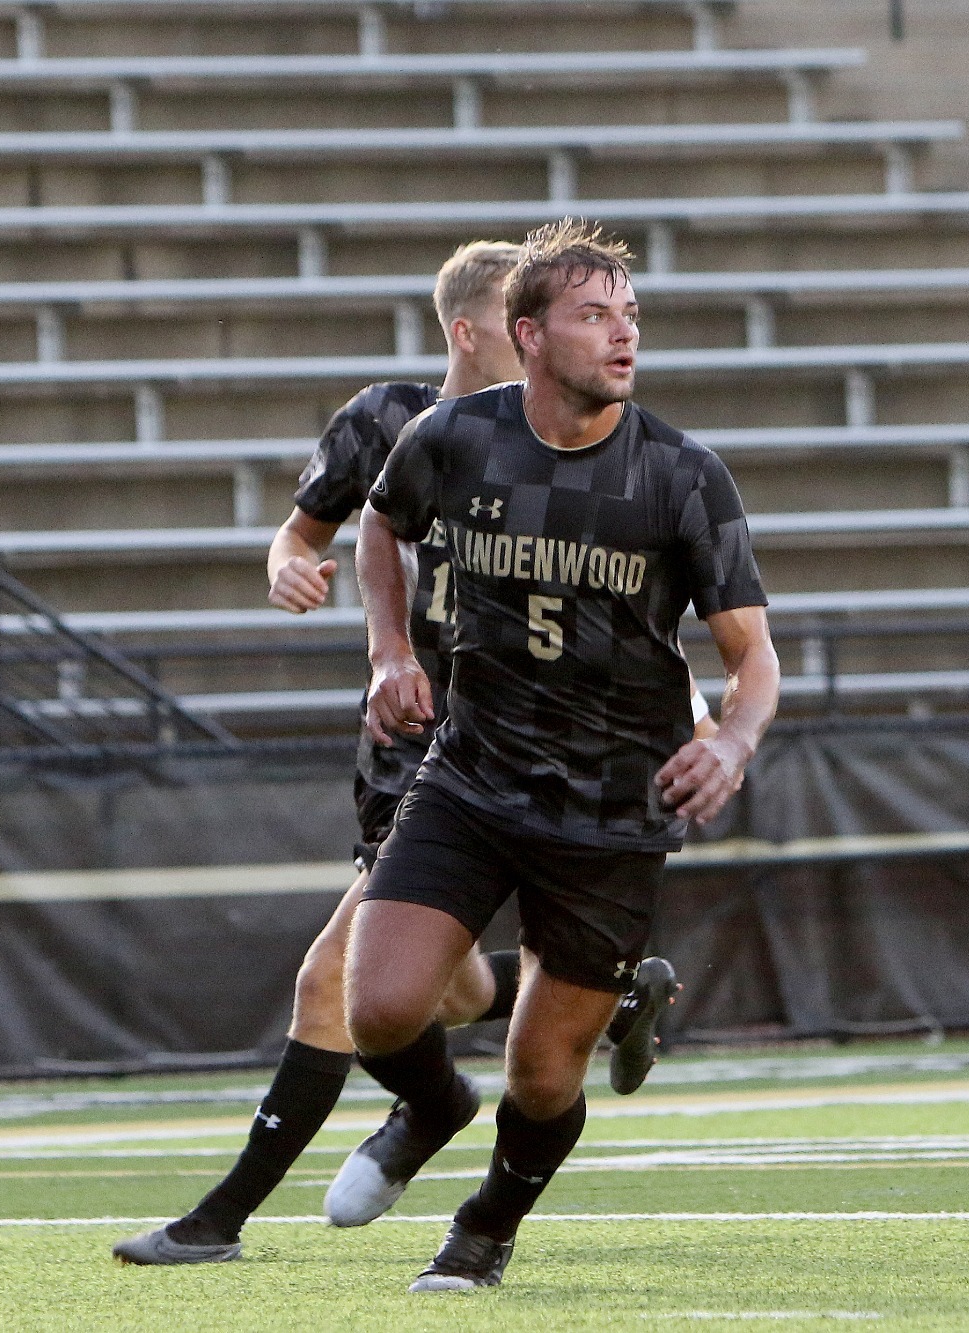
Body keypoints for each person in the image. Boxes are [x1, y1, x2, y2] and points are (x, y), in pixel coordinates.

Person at [109, 240, 684, 1268]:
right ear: (488, 332)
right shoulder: (394, 423)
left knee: (332, 978)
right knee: (439, 987)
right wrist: (293, 569)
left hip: (502, 747)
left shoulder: (596, 448)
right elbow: (305, 533)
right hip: (411, 731)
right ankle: (590, 993)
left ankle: (225, 1215)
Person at [334, 219, 779, 1293]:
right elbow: (382, 529)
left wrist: (731, 735)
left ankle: (486, 1223)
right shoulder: (452, 438)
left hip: (610, 803)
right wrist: (389, 647)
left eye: (630, 316)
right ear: (525, 335)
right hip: (471, 773)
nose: (622, 335)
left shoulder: (680, 472)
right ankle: (434, 1105)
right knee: (378, 1009)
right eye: (594, 315)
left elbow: (754, 652)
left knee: (542, 1072)